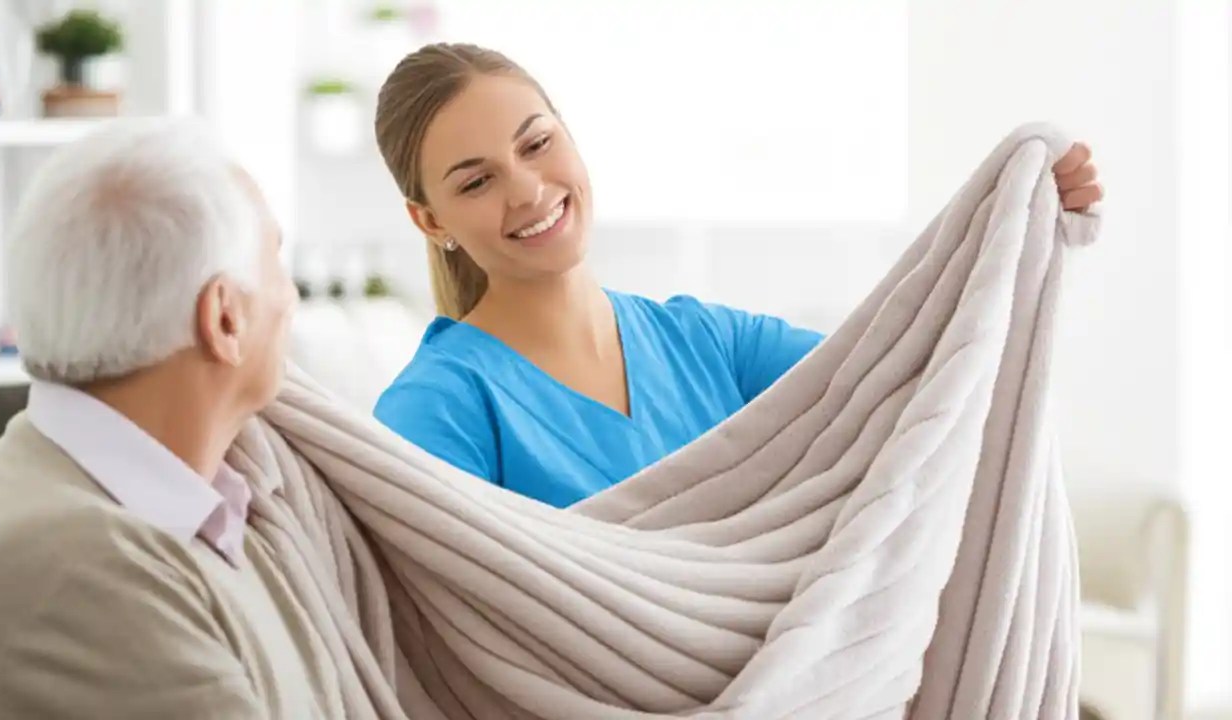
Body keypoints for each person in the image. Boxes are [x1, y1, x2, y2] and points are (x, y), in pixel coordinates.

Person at [373, 43, 1103, 509]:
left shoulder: (707, 342)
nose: (529, 190)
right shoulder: (436, 407)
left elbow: (913, 371)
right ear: (430, 221)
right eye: (476, 183)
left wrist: (1017, 223)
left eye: (537, 143)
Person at [0, 119, 348, 718]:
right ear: (224, 319)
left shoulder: (189, 505)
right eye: (275, 263)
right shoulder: (86, 566)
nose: (290, 299)